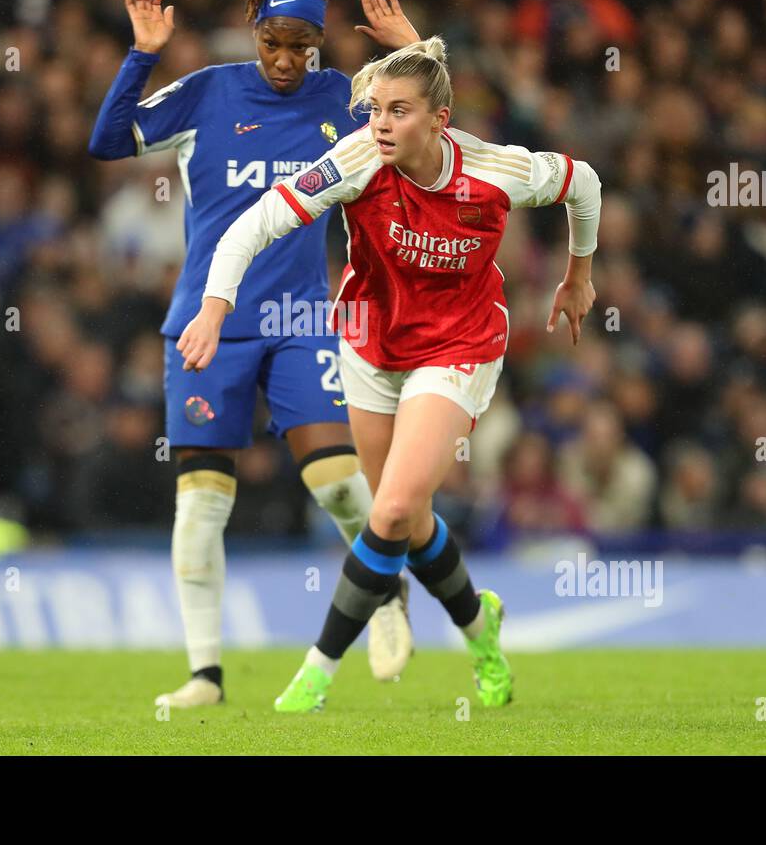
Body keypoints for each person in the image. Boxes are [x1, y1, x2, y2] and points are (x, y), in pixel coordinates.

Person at [178, 37, 601, 711]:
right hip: (371, 346)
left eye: (398, 111)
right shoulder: (356, 161)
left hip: (459, 345)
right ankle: (480, 631)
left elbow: (584, 184)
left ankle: (317, 670)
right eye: (374, 109)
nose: (379, 123)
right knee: (407, 517)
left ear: (439, 120)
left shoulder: (498, 171)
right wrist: (213, 307)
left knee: (393, 509)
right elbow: (253, 225)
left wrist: (578, 274)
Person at [88, 0, 424, 708]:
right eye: (274, 43)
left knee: (339, 486)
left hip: (303, 318)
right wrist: (142, 54)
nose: (286, 60)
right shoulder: (208, 92)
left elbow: (434, 133)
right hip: (209, 323)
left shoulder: (344, 99)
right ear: (254, 33)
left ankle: (387, 590)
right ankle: (205, 675)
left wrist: (411, 51)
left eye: (301, 46)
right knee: (201, 505)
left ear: (319, 44)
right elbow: (106, 141)